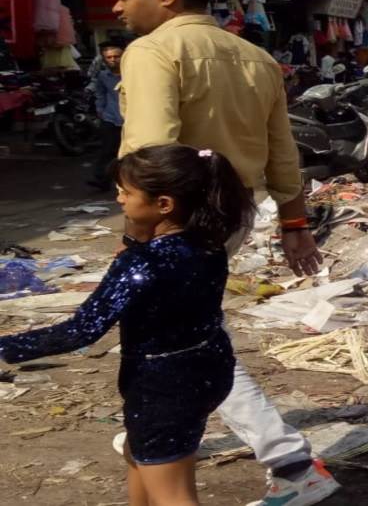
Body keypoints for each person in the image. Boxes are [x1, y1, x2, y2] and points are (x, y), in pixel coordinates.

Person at [112, 0, 338, 506]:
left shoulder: (154, 50)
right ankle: (156, 433)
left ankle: (288, 460)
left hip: (175, 215)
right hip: (234, 212)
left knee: (185, 342)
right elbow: (282, 148)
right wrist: (293, 221)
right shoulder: (255, 57)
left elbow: (151, 149)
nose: (115, 6)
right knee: (190, 336)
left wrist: (140, 235)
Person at [0, 144, 254, 506]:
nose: (118, 199)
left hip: (161, 383)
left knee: (173, 493)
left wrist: (6, 347)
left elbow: (81, 331)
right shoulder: (208, 246)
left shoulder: (142, 264)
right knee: (143, 455)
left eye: (126, 192)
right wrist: (135, 237)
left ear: (164, 204)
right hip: (207, 366)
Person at [88, 41, 125, 191]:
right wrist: (100, 109)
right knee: (107, 151)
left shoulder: (133, 74)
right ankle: (101, 180)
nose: (113, 60)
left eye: (116, 56)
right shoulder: (103, 76)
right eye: (109, 57)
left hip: (130, 118)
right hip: (110, 117)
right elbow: (100, 93)